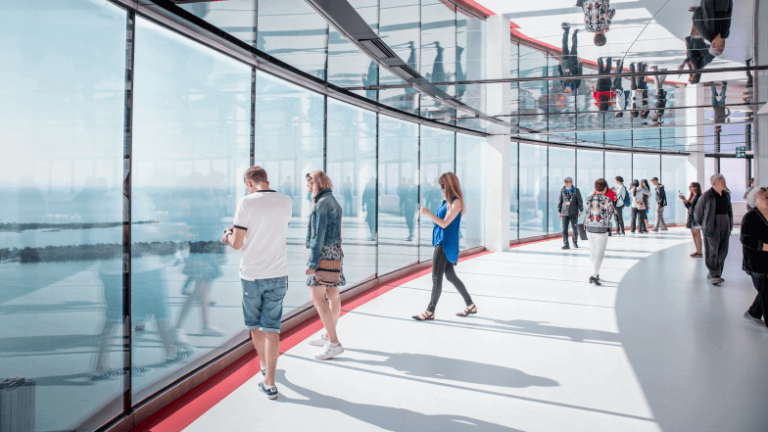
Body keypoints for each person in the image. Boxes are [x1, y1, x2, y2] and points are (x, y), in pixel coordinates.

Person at [222, 166, 292, 400]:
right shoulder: (286, 201)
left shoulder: (246, 202)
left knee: (254, 326)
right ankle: (269, 380)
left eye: (246, 186)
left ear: (249, 182)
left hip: (252, 275)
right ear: (267, 181)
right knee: (272, 328)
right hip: (278, 274)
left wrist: (227, 235)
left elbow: (237, 243)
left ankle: (265, 369)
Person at [413, 172, 476, 321]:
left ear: (450, 185)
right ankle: (470, 304)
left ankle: (430, 311)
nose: (441, 188)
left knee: (436, 278)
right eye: (440, 185)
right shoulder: (447, 201)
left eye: (443, 185)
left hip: (446, 243)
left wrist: (428, 212)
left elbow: (444, 223)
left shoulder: (456, 203)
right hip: (442, 240)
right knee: (450, 276)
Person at [304, 170, 346, 360]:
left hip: (323, 254)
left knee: (316, 298)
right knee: (333, 294)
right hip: (335, 253)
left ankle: (334, 343)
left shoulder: (322, 204)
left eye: (309, 185)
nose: (308, 189)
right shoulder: (333, 201)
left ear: (316, 183)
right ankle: (329, 335)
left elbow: (318, 236)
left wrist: (313, 263)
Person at [694, 173, 733, 286]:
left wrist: (729, 224)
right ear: (714, 184)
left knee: (723, 250)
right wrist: (706, 225)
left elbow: (729, 210)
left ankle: (714, 272)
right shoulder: (706, 196)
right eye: (722, 181)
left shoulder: (726, 194)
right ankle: (715, 275)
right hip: (712, 225)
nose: (724, 182)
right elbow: (698, 213)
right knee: (712, 252)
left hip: (725, 223)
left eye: (724, 180)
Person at [740, 187, 768, 331]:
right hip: (756, 262)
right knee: (766, 292)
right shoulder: (750, 217)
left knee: (765, 290)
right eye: (765, 197)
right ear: (755, 200)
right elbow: (745, 239)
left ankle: (753, 312)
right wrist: (765, 247)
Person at [584, 179, 615, 286]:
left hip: (589, 227)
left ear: (595, 187)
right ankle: (594, 274)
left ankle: (595, 273)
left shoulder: (588, 198)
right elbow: (611, 213)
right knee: (600, 252)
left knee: (593, 251)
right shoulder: (607, 199)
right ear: (605, 188)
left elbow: (587, 211)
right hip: (602, 228)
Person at [558, 176, 583, 250]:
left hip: (573, 212)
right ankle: (566, 244)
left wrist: (581, 210)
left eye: (567, 182)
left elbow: (580, 201)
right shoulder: (562, 190)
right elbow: (560, 201)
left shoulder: (576, 190)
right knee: (564, 229)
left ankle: (575, 242)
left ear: (571, 183)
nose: (566, 184)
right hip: (564, 212)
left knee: (574, 228)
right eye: (565, 182)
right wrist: (559, 211)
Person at [680, 182, 704, 257]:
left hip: (696, 217)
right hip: (691, 217)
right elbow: (688, 207)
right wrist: (684, 200)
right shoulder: (692, 196)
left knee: (697, 234)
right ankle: (697, 251)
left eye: (691, 186)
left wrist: (684, 199)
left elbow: (693, 207)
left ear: (695, 187)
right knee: (694, 234)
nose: (689, 187)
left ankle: (699, 252)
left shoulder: (699, 196)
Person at [559, 23, 582, 94]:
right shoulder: (576, 85)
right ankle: (574, 34)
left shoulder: (563, 85)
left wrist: (559, 66)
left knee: (564, 46)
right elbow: (579, 74)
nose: (566, 90)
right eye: (568, 91)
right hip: (573, 63)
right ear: (571, 91)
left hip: (564, 62)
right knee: (574, 47)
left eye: (565, 91)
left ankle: (566, 31)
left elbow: (560, 74)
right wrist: (580, 64)